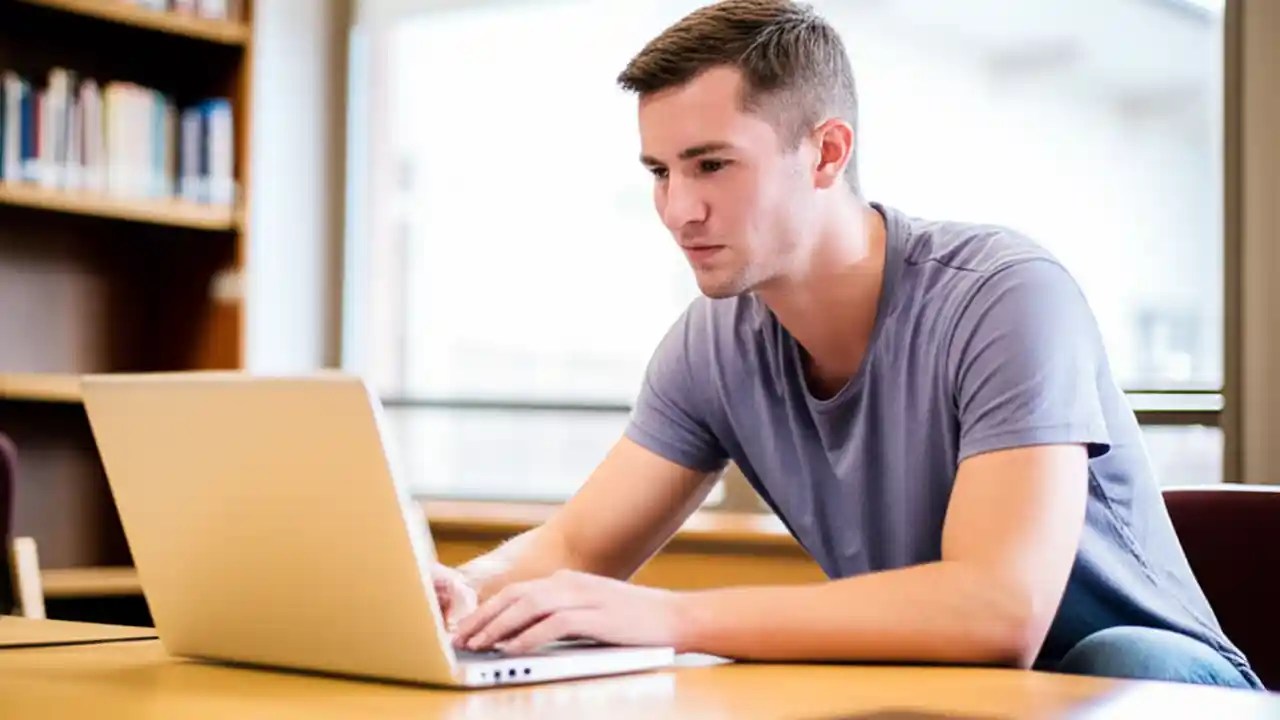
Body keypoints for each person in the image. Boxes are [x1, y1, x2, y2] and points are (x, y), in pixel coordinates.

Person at [437, 0, 1261, 689]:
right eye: (660, 172)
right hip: (958, 696)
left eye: (712, 165)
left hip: (1159, 685)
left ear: (827, 152)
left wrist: (671, 615)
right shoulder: (711, 345)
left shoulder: (1007, 294)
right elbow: (578, 545)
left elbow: (998, 612)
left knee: (1111, 658)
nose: (677, 210)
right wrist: (458, 592)